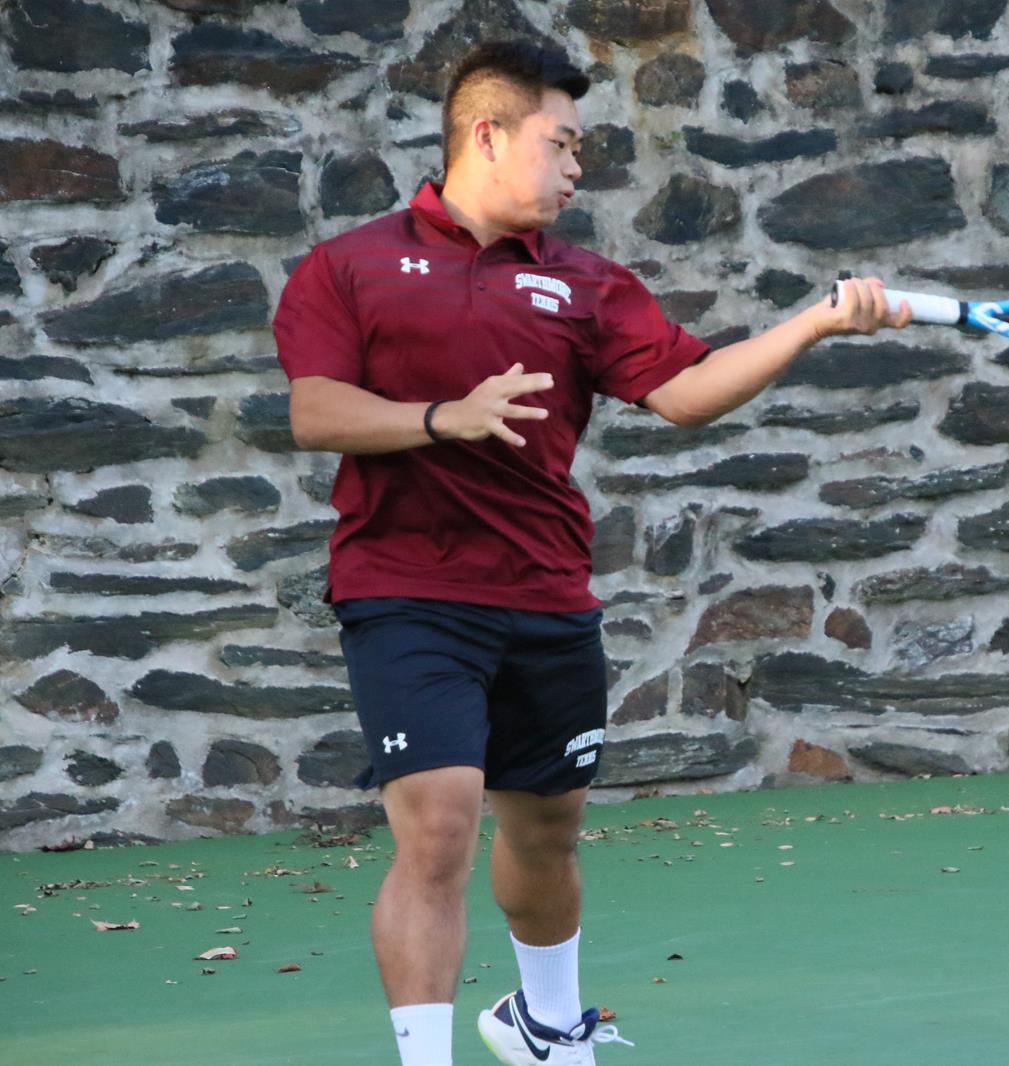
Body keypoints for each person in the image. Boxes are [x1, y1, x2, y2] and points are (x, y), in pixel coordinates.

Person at [272, 39, 910, 1066]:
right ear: (487, 134)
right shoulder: (349, 264)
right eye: (561, 145)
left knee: (546, 832)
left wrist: (814, 324)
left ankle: (544, 1022)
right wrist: (447, 417)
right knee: (438, 827)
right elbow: (315, 410)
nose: (576, 171)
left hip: (546, 595)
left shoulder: (586, 285)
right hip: (405, 591)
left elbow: (685, 392)